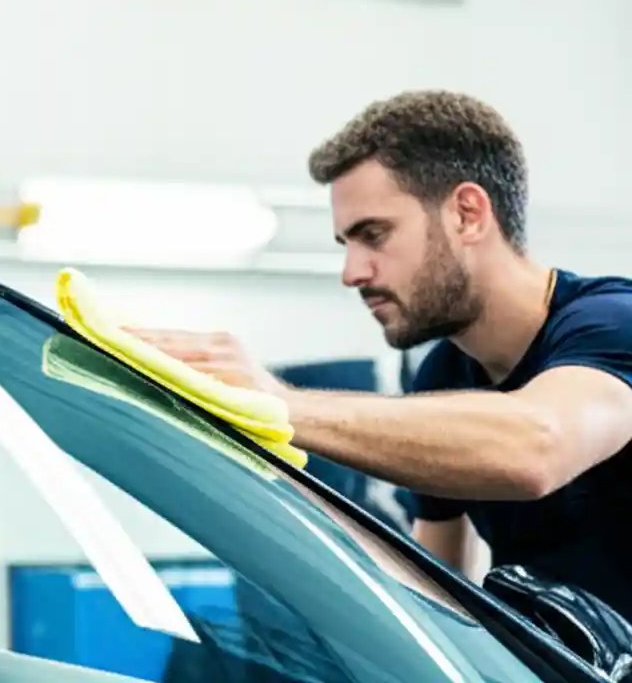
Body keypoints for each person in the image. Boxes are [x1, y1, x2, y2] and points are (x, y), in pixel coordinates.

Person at [127, 90, 632, 619]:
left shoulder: (613, 324)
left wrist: (277, 405)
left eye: (374, 235)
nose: (352, 273)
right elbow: (437, 594)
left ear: (467, 214)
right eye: (346, 243)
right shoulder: (444, 374)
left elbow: (536, 448)